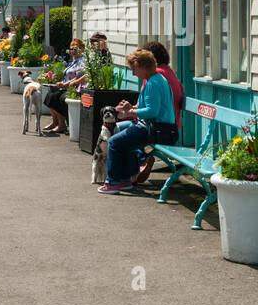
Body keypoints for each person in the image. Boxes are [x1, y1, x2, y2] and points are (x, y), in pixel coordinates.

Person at [98, 49, 174, 194]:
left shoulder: (153, 84)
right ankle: (125, 180)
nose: (133, 73)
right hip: (156, 126)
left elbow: (152, 111)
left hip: (156, 129)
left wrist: (130, 112)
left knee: (114, 142)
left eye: (134, 69)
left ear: (142, 66)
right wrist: (130, 107)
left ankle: (113, 182)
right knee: (118, 129)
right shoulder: (155, 79)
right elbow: (148, 107)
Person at [133, 41, 185, 184]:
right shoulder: (170, 72)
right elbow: (181, 91)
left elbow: (146, 106)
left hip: (160, 126)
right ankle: (142, 160)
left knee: (127, 132)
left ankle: (139, 162)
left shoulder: (154, 75)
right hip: (173, 123)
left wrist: (131, 111)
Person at [42, 38, 88, 130]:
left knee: (57, 97)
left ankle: (62, 124)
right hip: (66, 86)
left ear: (81, 49)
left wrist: (64, 84)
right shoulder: (74, 61)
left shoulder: (82, 61)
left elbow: (78, 77)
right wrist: (61, 83)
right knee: (50, 94)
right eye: (71, 49)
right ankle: (55, 122)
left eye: (76, 49)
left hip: (74, 87)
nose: (73, 51)